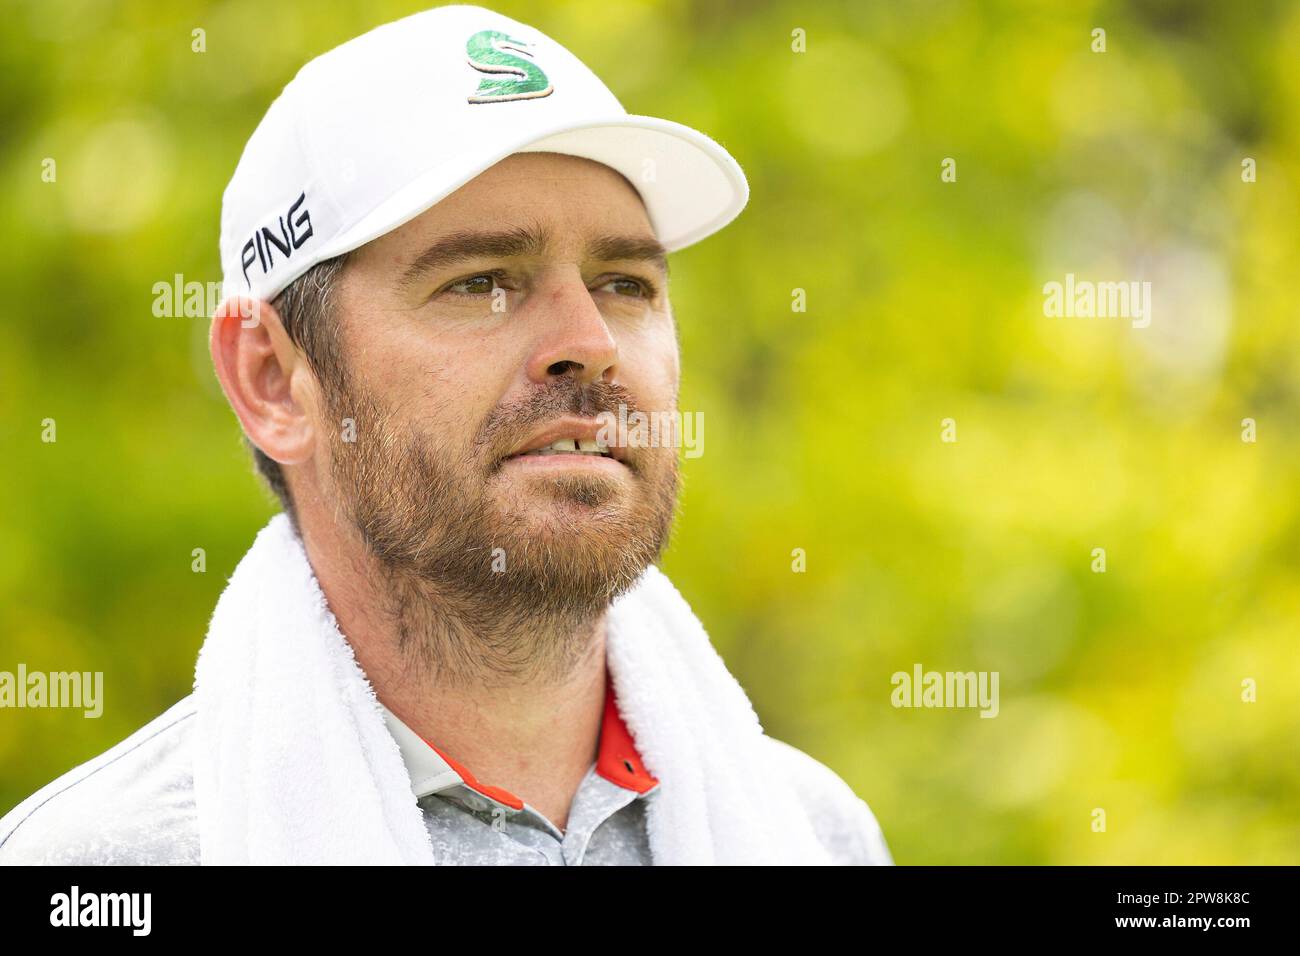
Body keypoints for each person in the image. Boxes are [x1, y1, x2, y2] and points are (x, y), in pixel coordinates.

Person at [0, 4, 892, 865]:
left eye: (625, 282)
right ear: (272, 378)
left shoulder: (815, 838)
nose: (589, 342)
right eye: (480, 282)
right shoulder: (103, 865)